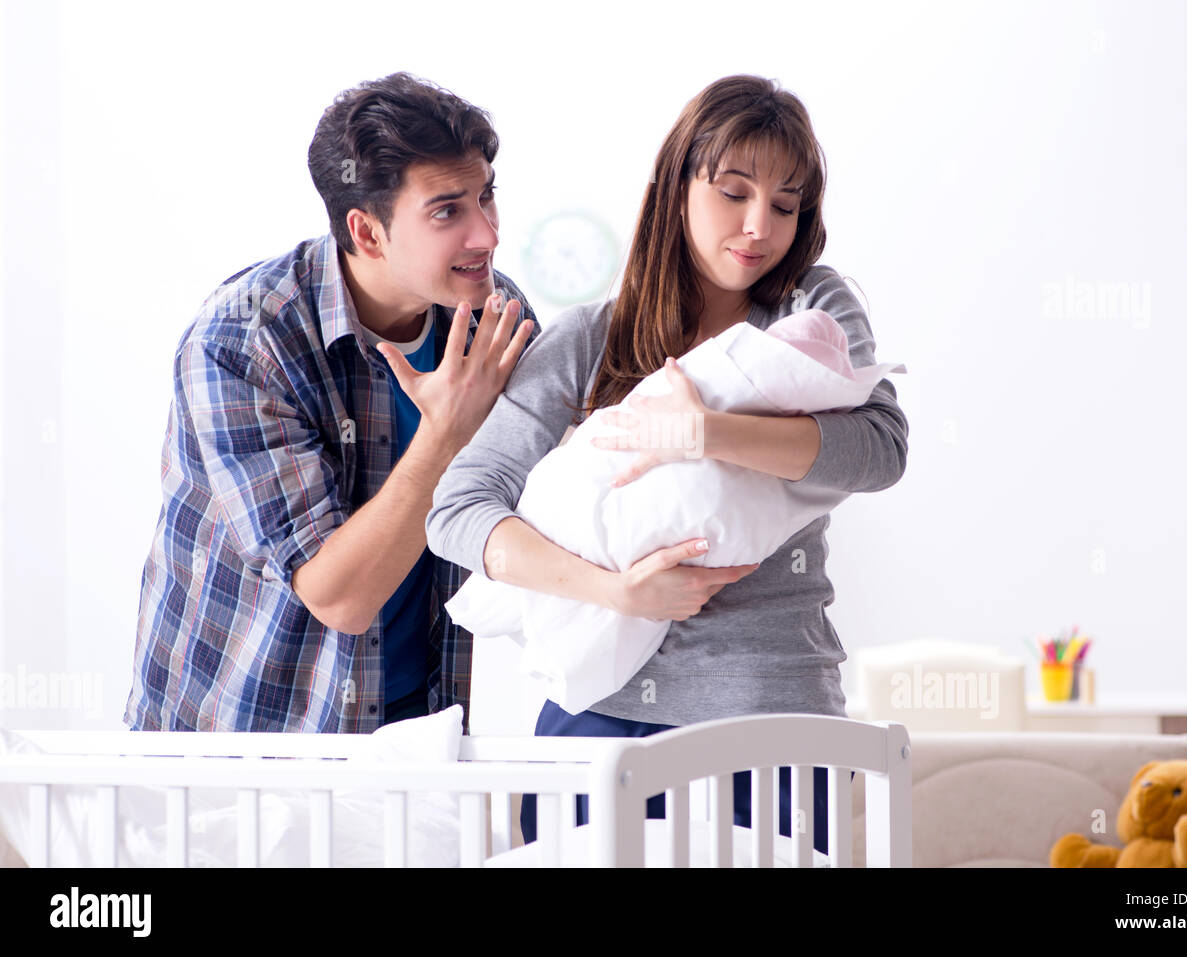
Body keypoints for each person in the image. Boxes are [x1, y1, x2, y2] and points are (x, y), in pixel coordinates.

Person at [425, 75, 909, 854]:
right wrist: (618, 591)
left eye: (785, 206)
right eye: (733, 192)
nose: (759, 227)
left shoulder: (808, 318)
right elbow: (458, 513)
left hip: (769, 711)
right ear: (677, 184)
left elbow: (882, 450)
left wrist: (705, 433)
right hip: (597, 717)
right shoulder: (589, 341)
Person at [125, 72, 536, 734]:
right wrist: (446, 434)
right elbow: (338, 596)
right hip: (242, 739)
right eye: (447, 210)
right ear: (367, 232)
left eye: (487, 198)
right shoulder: (243, 340)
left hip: (416, 728)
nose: (486, 234)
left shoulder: (496, 317)